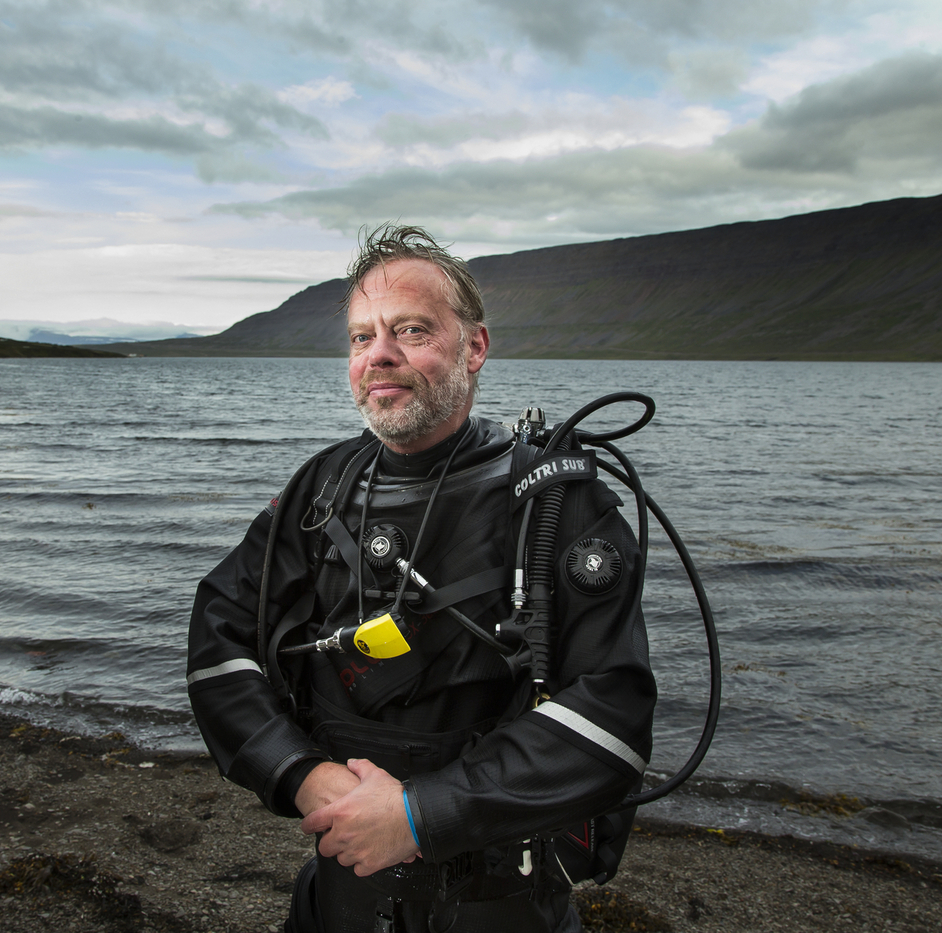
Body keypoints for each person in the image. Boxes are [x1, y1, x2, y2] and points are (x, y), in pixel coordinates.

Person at [186, 225, 656, 933]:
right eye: (360, 336)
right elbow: (218, 638)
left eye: (411, 329)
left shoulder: (559, 506)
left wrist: (418, 814)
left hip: (505, 907)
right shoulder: (322, 489)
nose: (379, 354)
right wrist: (303, 775)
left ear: (474, 347)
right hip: (342, 891)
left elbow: (613, 716)